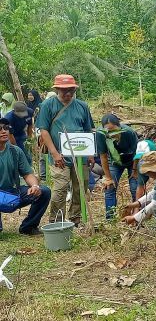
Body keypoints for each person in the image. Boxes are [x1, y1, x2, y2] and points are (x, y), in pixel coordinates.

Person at [35, 74, 94, 225]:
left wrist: (90, 153)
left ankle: (76, 217)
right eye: (63, 91)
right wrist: (55, 153)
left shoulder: (82, 106)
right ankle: (57, 220)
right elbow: (44, 130)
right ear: (56, 90)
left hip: (80, 154)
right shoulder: (48, 105)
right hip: (59, 155)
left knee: (80, 187)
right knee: (60, 189)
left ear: (75, 90)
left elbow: (88, 130)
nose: (67, 94)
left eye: (71, 91)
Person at [0, 117, 51, 235]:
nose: (4, 131)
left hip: (13, 192)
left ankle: (28, 227)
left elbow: (28, 174)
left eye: (6, 128)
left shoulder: (15, 151)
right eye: (0, 129)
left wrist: (35, 186)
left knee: (44, 191)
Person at [96, 113, 139, 219]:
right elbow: (103, 156)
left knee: (135, 188)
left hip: (132, 161)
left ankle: (137, 216)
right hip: (114, 162)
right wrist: (108, 177)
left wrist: (134, 170)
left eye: (114, 130)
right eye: (109, 132)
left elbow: (137, 153)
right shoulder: (100, 134)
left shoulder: (129, 132)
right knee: (109, 187)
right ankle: (110, 219)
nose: (112, 134)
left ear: (119, 126)